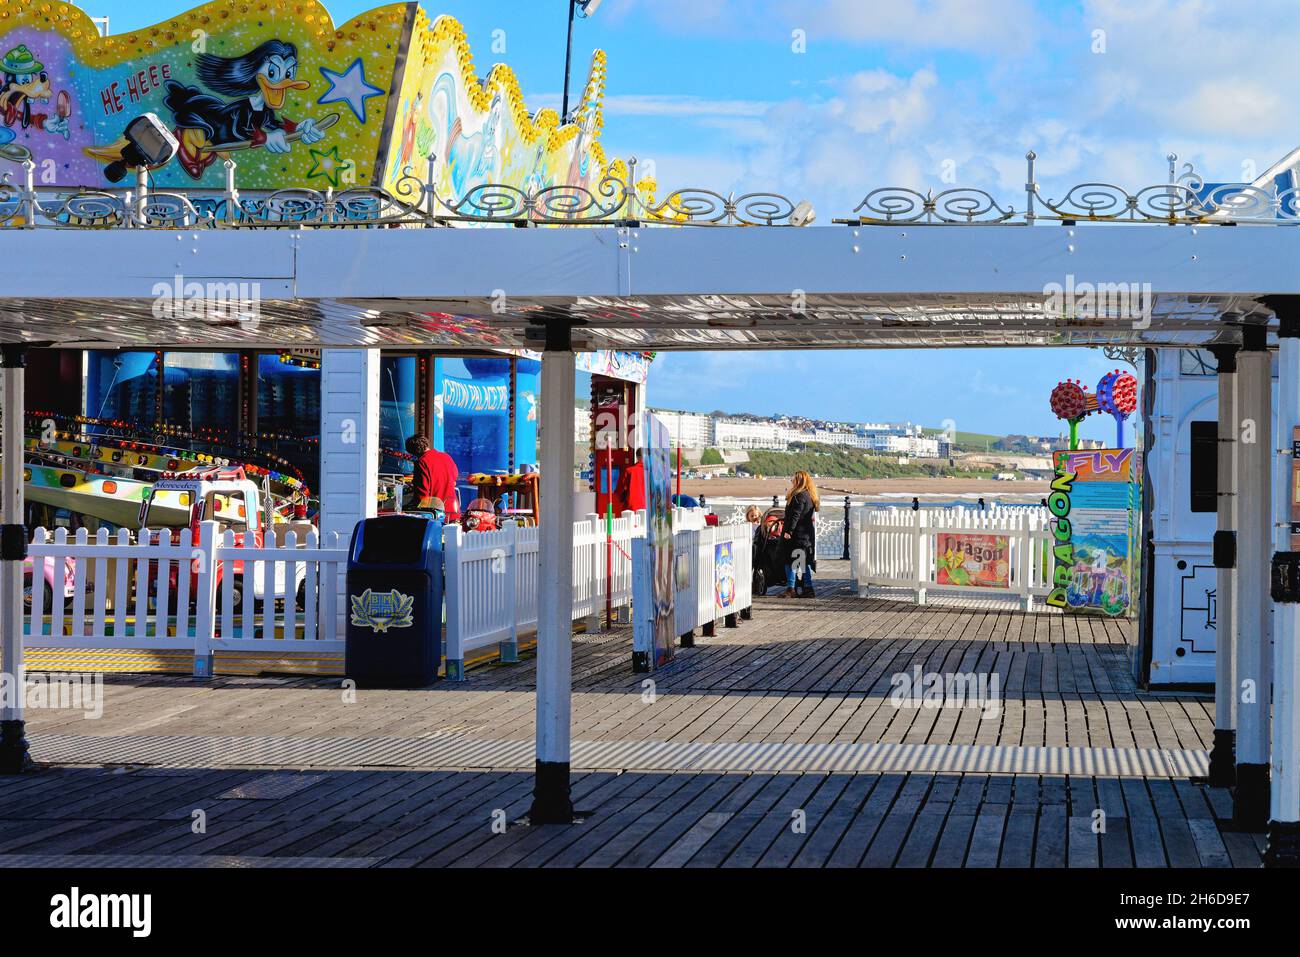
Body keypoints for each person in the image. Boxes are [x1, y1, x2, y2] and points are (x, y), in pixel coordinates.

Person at [780, 470, 819, 598]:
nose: (792, 481)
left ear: (799, 481)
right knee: (804, 561)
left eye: (794, 479)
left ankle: (791, 588)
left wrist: (788, 532)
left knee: (790, 561)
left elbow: (795, 516)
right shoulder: (810, 495)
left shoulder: (799, 496)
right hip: (807, 534)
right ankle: (808, 588)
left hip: (797, 534)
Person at [405, 434, 460, 521]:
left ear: (414, 452)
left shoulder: (422, 462)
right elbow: (455, 476)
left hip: (435, 514)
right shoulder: (446, 457)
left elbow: (422, 493)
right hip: (453, 511)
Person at [614, 448, 646, 512]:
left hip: (631, 508)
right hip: (647, 510)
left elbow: (619, 490)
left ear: (637, 457)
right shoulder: (651, 473)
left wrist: (622, 498)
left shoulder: (629, 471)